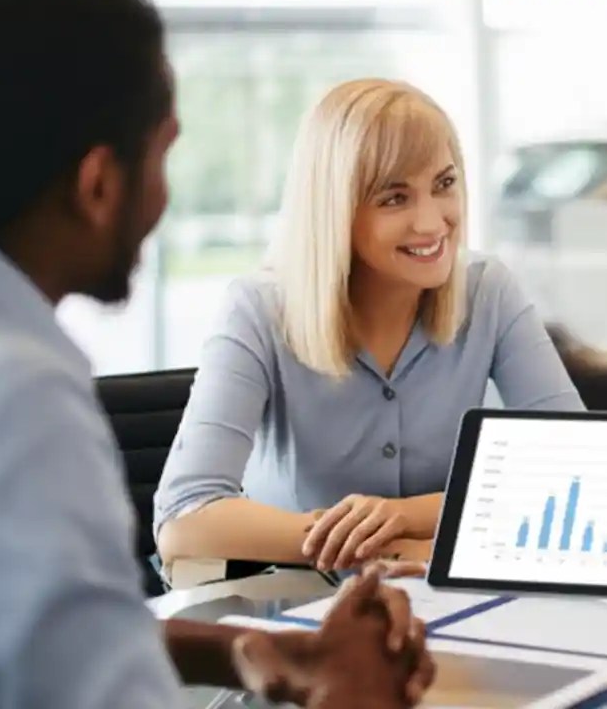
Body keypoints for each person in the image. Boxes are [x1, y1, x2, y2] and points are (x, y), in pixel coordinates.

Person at [0, 0, 433, 707]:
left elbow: (46, 637)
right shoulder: (10, 396)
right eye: (164, 154)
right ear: (99, 184)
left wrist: (253, 649)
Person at [153, 78, 583, 575]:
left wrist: (402, 516)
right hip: (302, 611)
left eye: (443, 184)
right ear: (335, 211)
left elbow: (572, 470)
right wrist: (383, 548)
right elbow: (185, 520)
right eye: (394, 198)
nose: (431, 222)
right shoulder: (258, 309)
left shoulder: (487, 290)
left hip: (445, 591)